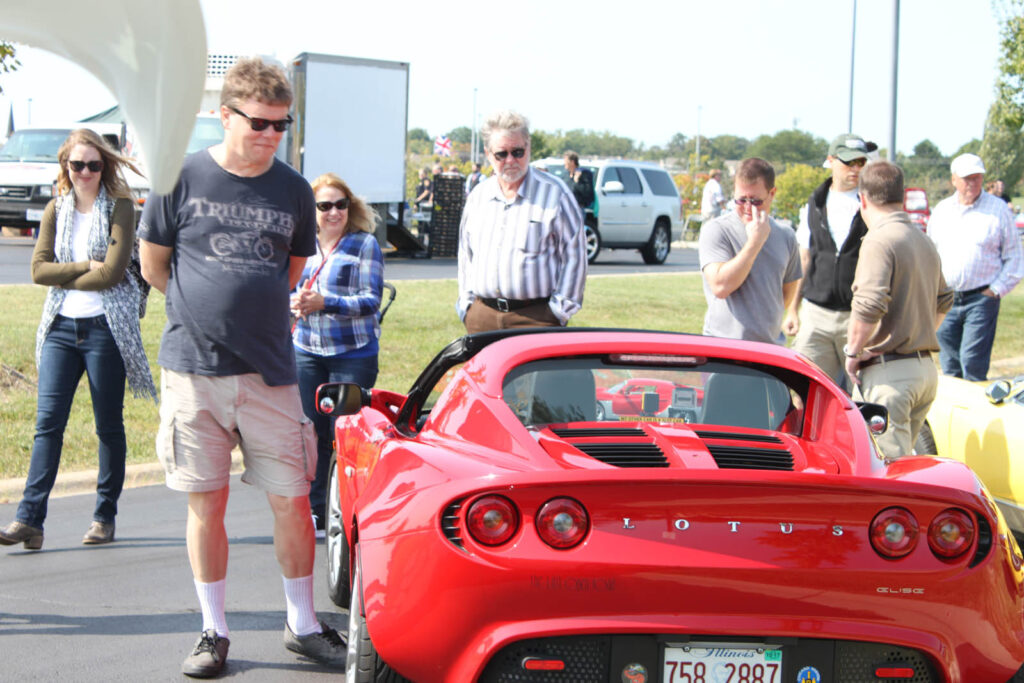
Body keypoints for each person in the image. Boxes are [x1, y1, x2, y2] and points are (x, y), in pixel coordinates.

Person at [137, 56, 346, 678]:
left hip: (271, 374)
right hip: (193, 371)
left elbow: (287, 273)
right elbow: (155, 267)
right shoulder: (180, 176)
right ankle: (212, 632)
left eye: (282, 125)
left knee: (291, 501)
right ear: (224, 115)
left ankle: (303, 624)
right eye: (259, 123)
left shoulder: (293, 189)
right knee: (207, 502)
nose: (271, 136)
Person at [0, 129, 155, 551]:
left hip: (107, 328)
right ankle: (29, 519)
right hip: (61, 329)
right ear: (65, 167)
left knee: (108, 425)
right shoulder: (55, 208)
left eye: (93, 165)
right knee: (47, 425)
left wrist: (70, 269)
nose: (85, 172)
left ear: (104, 168)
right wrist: (88, 262)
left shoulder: (120, 208)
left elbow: (114, 272)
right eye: (77, 165)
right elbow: (38, 271)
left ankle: (104, 515)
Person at [291, 173, 383, 538]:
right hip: (307, 352)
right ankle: (315, 511)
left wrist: (325, 302)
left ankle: (348, 509)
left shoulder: (363, 245)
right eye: (324, 206)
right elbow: (284, 289)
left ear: (350, 207)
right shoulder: (301, 246)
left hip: (352, 354)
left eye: (340, 205)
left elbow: (370, 301)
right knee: (310, 432)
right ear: (311, 211)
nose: (333, 212)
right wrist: (294, 303)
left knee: (342, 434)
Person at [843, 160, 953, 458]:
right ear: (901, 197)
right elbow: (945, 299)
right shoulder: (923, 239)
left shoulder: (879, 239)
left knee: (884, 471)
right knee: (906, 467)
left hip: (889, 375)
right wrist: (917, 331)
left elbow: (869, 306)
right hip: (924, 371)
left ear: (862, 199)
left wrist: (853, 353)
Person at [457, 110, 587, 334]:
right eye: (501, 154)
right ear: (488, 154)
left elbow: (575, 256)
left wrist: (558, 311)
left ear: (529, 148)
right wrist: (466, 306)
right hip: (481, 317)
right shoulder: (478, 197)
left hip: (536, 318)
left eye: (518, 152)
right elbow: (466, 255)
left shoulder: (556, 195)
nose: (510, 160)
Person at [784, 134, 877, 388]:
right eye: (849, 162)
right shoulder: (815, 202)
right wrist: (793, 309)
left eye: (861, 162)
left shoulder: (872, 203)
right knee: (805, 390)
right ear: (830, 161)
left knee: (862, 396)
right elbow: (805, 258)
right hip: (816, 314)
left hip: (857, 315)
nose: (856, 169)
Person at [927, 153, 1024, 381]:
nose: (972, 183)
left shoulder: (998, 210)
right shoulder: (942, 211)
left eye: (977, 177)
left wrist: (994, 291)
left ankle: (975, 415)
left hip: (981, 299)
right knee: (949, 364)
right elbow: (929, 253)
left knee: (973, 363)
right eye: (967, 178)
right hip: (946, 298)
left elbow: (1014, 257)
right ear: (954, 180)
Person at [698, 157, 802, 344]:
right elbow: (721, 287)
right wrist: (754, 243)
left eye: (755, 201)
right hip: (723, 348)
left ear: (772, 194)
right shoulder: (716, 230)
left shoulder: (786, 236)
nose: (747, 207)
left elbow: (785, 296)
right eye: (741, 199)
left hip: (770, 350)